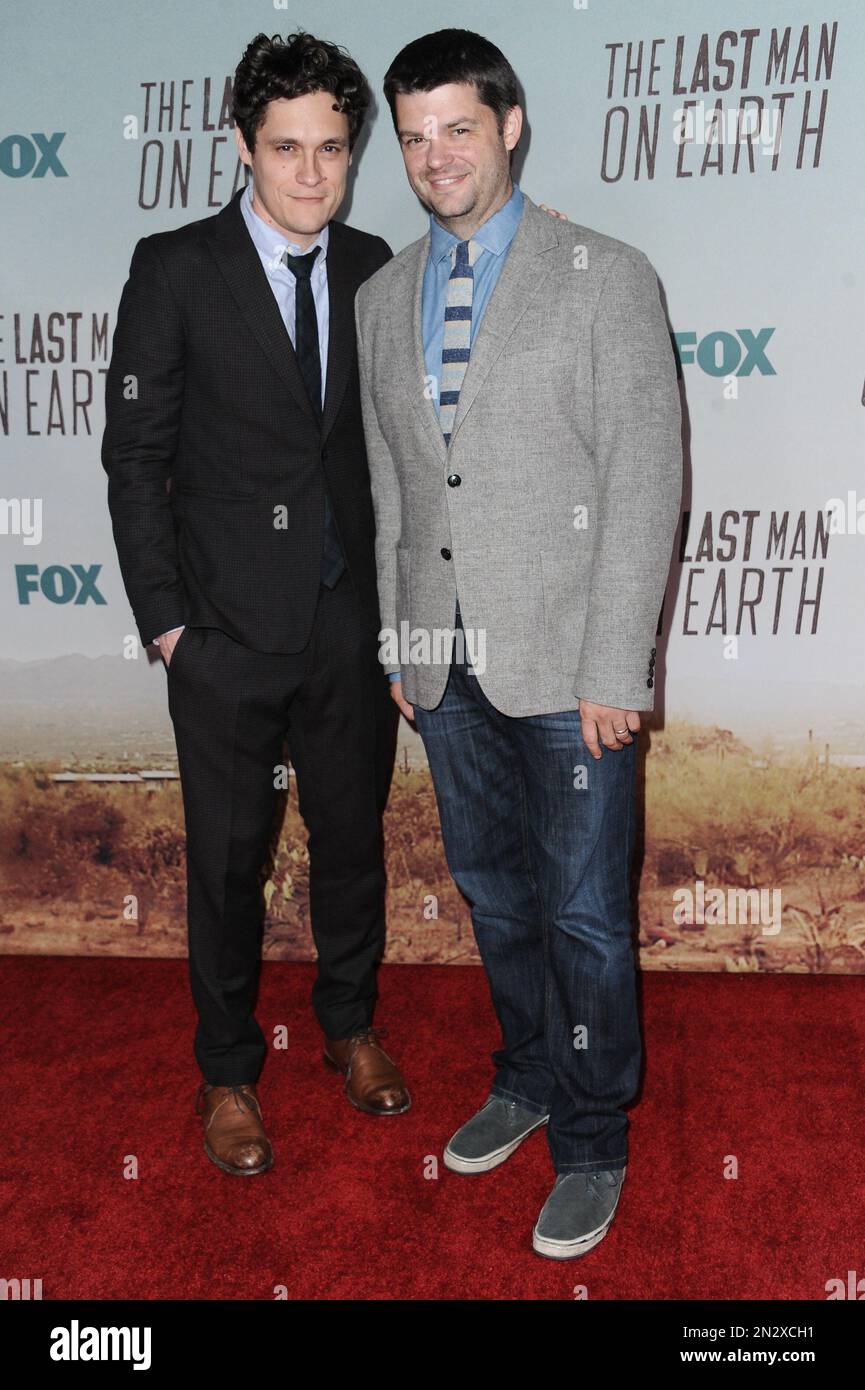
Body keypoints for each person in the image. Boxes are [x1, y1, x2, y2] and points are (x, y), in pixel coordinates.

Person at [355, 28, 682, 1257]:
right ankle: (532, 1073)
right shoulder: (382, 295)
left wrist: (616, 668)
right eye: (415, 133)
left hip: (568, 671)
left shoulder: (604, 273)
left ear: (511, 124)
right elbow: (396, 486)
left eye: (458, 126)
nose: (436, 155)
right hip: (443, 664)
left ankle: (593, 1135)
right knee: (495, 895)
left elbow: (645, 479)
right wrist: (401, 643)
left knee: (588, 915)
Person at [102, 30, 411, 1178]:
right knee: (229, 864)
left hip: (346, 620)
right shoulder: (175, 267)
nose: (311, 173)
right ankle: (228, 1070)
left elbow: (391, 452)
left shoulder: (376, 263)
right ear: (241, 144)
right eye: (287, 147)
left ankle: (348, 1026)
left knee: (351, 844)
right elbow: (135, 455)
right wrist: (172, 628)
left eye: (332, 147)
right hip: (224, 633)